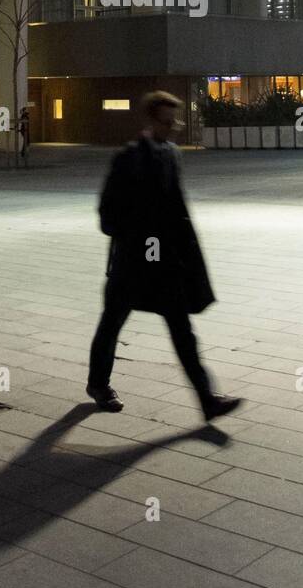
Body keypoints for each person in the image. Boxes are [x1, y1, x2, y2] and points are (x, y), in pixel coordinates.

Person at [86, 90, 243, 423]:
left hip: (165, 263)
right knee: (111, 323)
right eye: (168, 121)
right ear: (150, 121)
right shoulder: (127, 158)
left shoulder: (172, 154)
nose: (175, 127)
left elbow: (177, 208)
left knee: (182, 331)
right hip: (131, 262)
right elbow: (107, 215)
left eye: (176, 120)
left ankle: (207, 400)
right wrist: (138, 232)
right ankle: (98, 385)